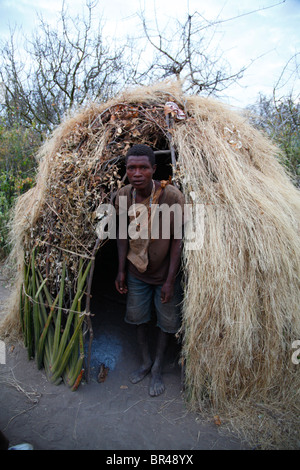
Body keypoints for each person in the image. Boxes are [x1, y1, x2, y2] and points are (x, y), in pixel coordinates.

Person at [114, 144, 184, 397]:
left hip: (164, 276)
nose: (137, 173)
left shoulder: (171, 197)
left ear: (154, 169)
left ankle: (156, 367)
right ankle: (145, 361)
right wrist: (121, 270)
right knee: (138, 318)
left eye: (143, 167)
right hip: (136, 274)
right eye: (131, 167)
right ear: (126, 170)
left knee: (166, 323)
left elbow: (177, 240)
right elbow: (121, 235)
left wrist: (169, 280)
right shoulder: (123, 196)